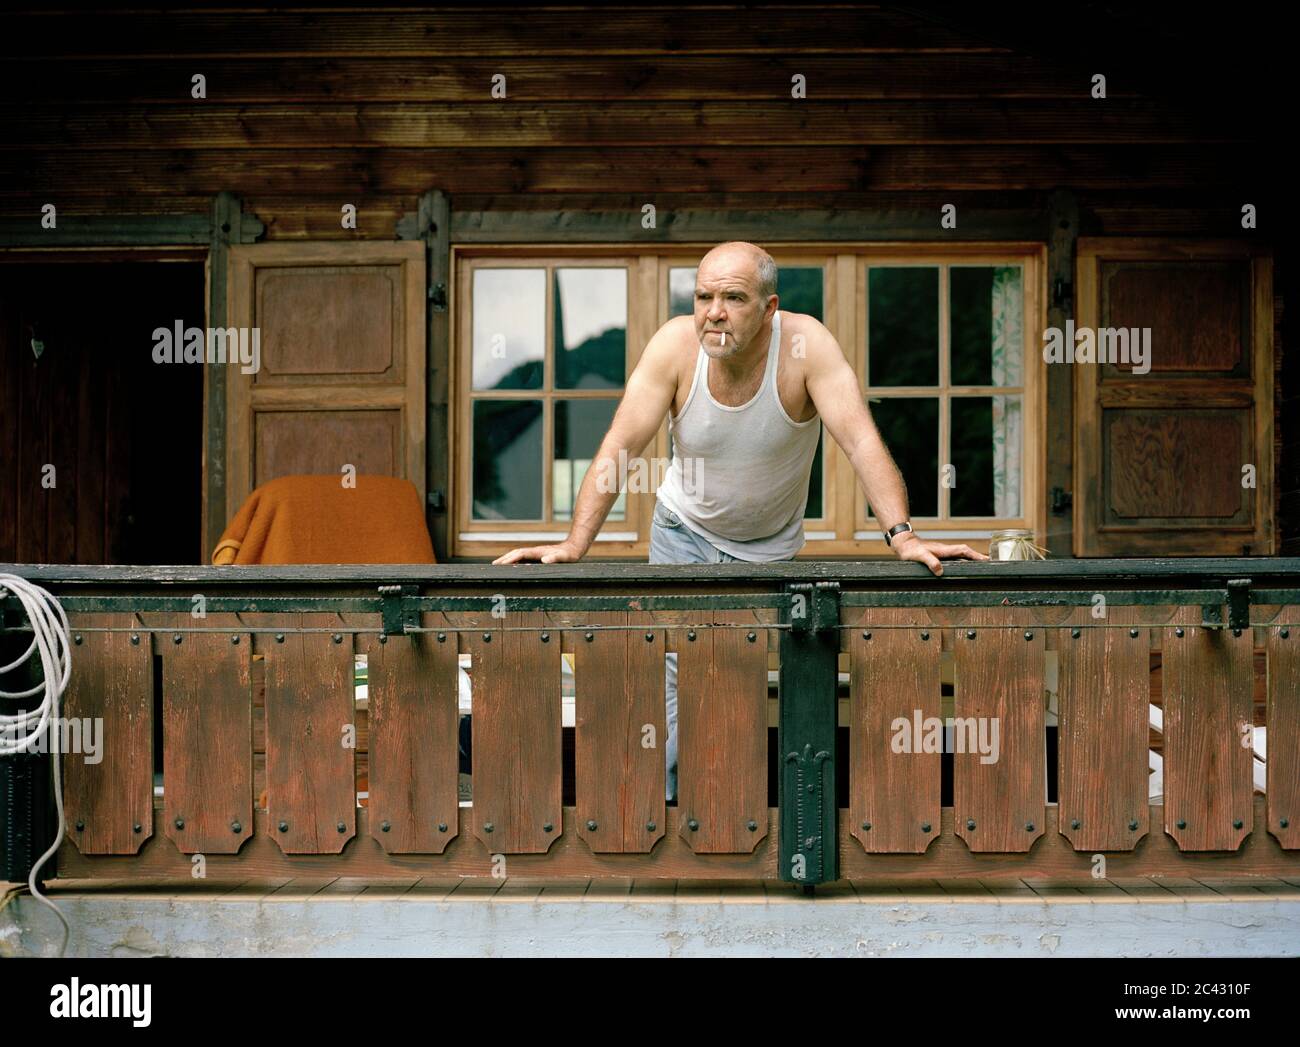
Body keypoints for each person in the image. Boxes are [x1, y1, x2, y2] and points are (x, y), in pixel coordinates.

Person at [494, 241, 988, 799]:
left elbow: (860, 441)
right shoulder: (675, 346)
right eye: (704, 296)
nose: (714, 311)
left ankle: (734, 816)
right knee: (676, 681)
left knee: (734, 684)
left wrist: (903, 537)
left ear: (770, 308)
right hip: (683, 533)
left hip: (768, 549)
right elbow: (621, 445)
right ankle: (675, 819)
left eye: (733, 297)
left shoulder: (807, 346)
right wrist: (574, 544)